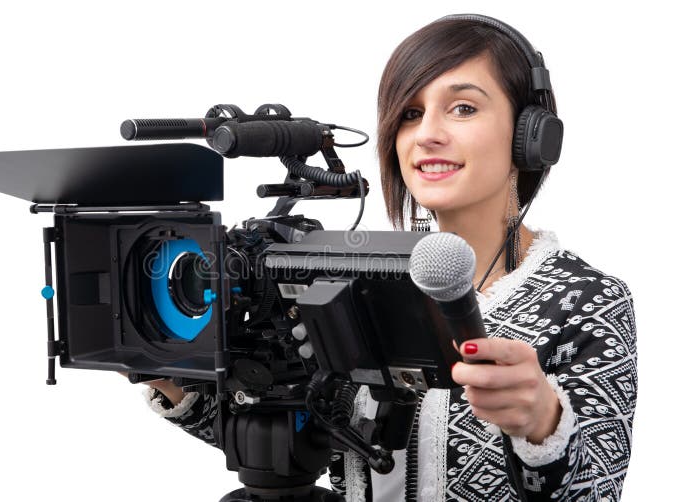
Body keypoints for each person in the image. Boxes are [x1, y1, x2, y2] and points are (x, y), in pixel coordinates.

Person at [139, 14, 638, 501]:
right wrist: (158, 363)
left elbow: (594, 490)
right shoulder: (342, 276)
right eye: (410, 114)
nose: (426, 135)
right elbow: (291, 448)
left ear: (532, 135)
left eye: (463, 108)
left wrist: (542, 425)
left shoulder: (589, 302)